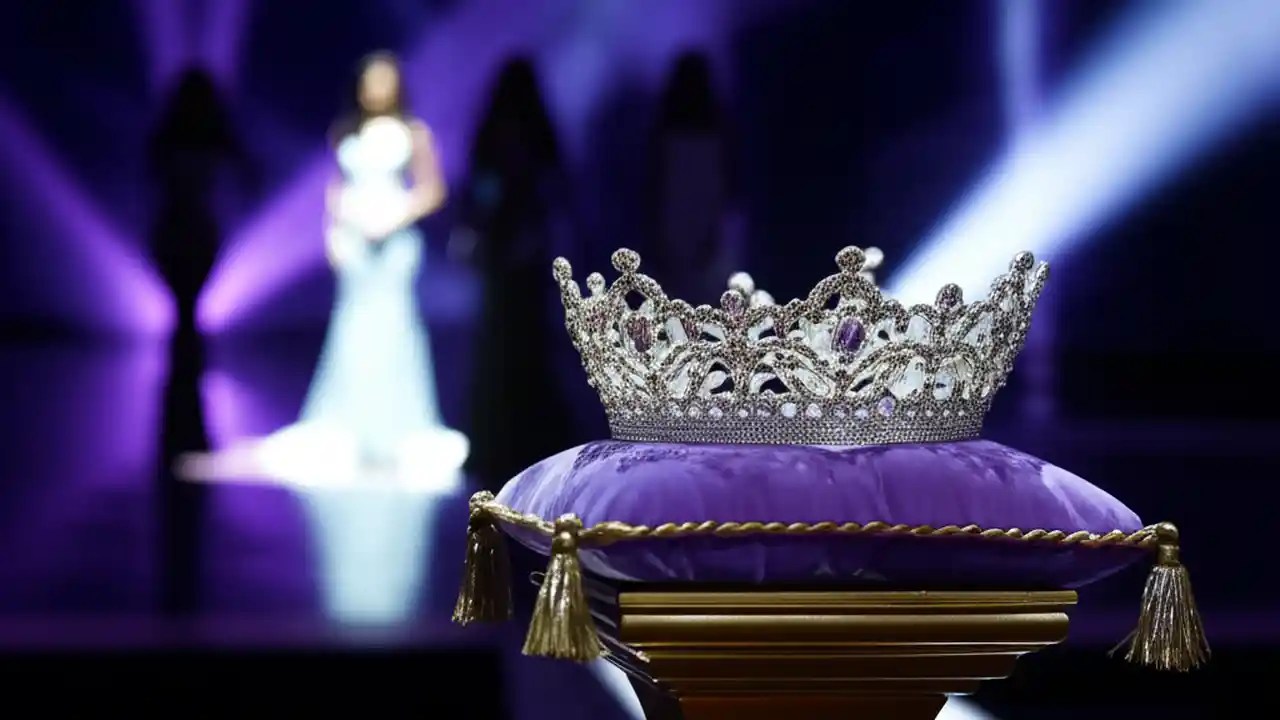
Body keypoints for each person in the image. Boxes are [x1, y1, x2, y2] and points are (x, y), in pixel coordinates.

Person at [180, 52, 466, 489]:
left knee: (394, 327)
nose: (377, 90)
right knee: (353, 328)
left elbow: (432, 190)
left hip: (392, 243)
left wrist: (396, 216)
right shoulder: (344, 132)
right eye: (370, 81)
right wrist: (333, 231)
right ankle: (351, 426)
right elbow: (335, 188)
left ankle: (394, 430)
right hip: (355, 244)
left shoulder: (413, 133)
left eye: (385, 81)